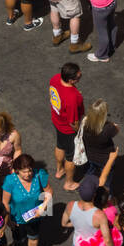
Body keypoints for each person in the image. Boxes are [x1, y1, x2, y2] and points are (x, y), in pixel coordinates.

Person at [1, 153, 52, 246]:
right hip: (17, 219)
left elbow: (49, 192)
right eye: (24, 172)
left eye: (30, 170)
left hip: (35, 217)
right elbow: (5, 202)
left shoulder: (39, 174)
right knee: (18, 239)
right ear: (17, 170)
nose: (28, 174)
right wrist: (8, 220)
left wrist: (43, 207)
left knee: (33, 238)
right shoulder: (10, 180)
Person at [49, 62, 85, 191]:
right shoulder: (72, 98)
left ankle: (59, 170)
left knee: (60, 145)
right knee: (71, 157)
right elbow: (73, 122)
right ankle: (69, 183)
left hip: (57, 121)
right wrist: (80, 132)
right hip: (68, 130)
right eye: (78, 77)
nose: (80, 77)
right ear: (70, 80)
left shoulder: (55, 78)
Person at [63, 177, 117, 246]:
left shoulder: (70, 205)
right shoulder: (100, 215)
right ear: (94, 195)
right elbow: (107, 240)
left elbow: (64, 224)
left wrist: (79, 222)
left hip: (77, 245)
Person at [80, 98, 119, 186]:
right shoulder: (108, 128)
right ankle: (105, 193)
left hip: (89, 154)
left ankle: (87, 185)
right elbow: (117, 129)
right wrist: (111, 124)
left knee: (91, 170)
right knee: (106, 178)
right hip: (105, 158)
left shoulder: (84, 123)